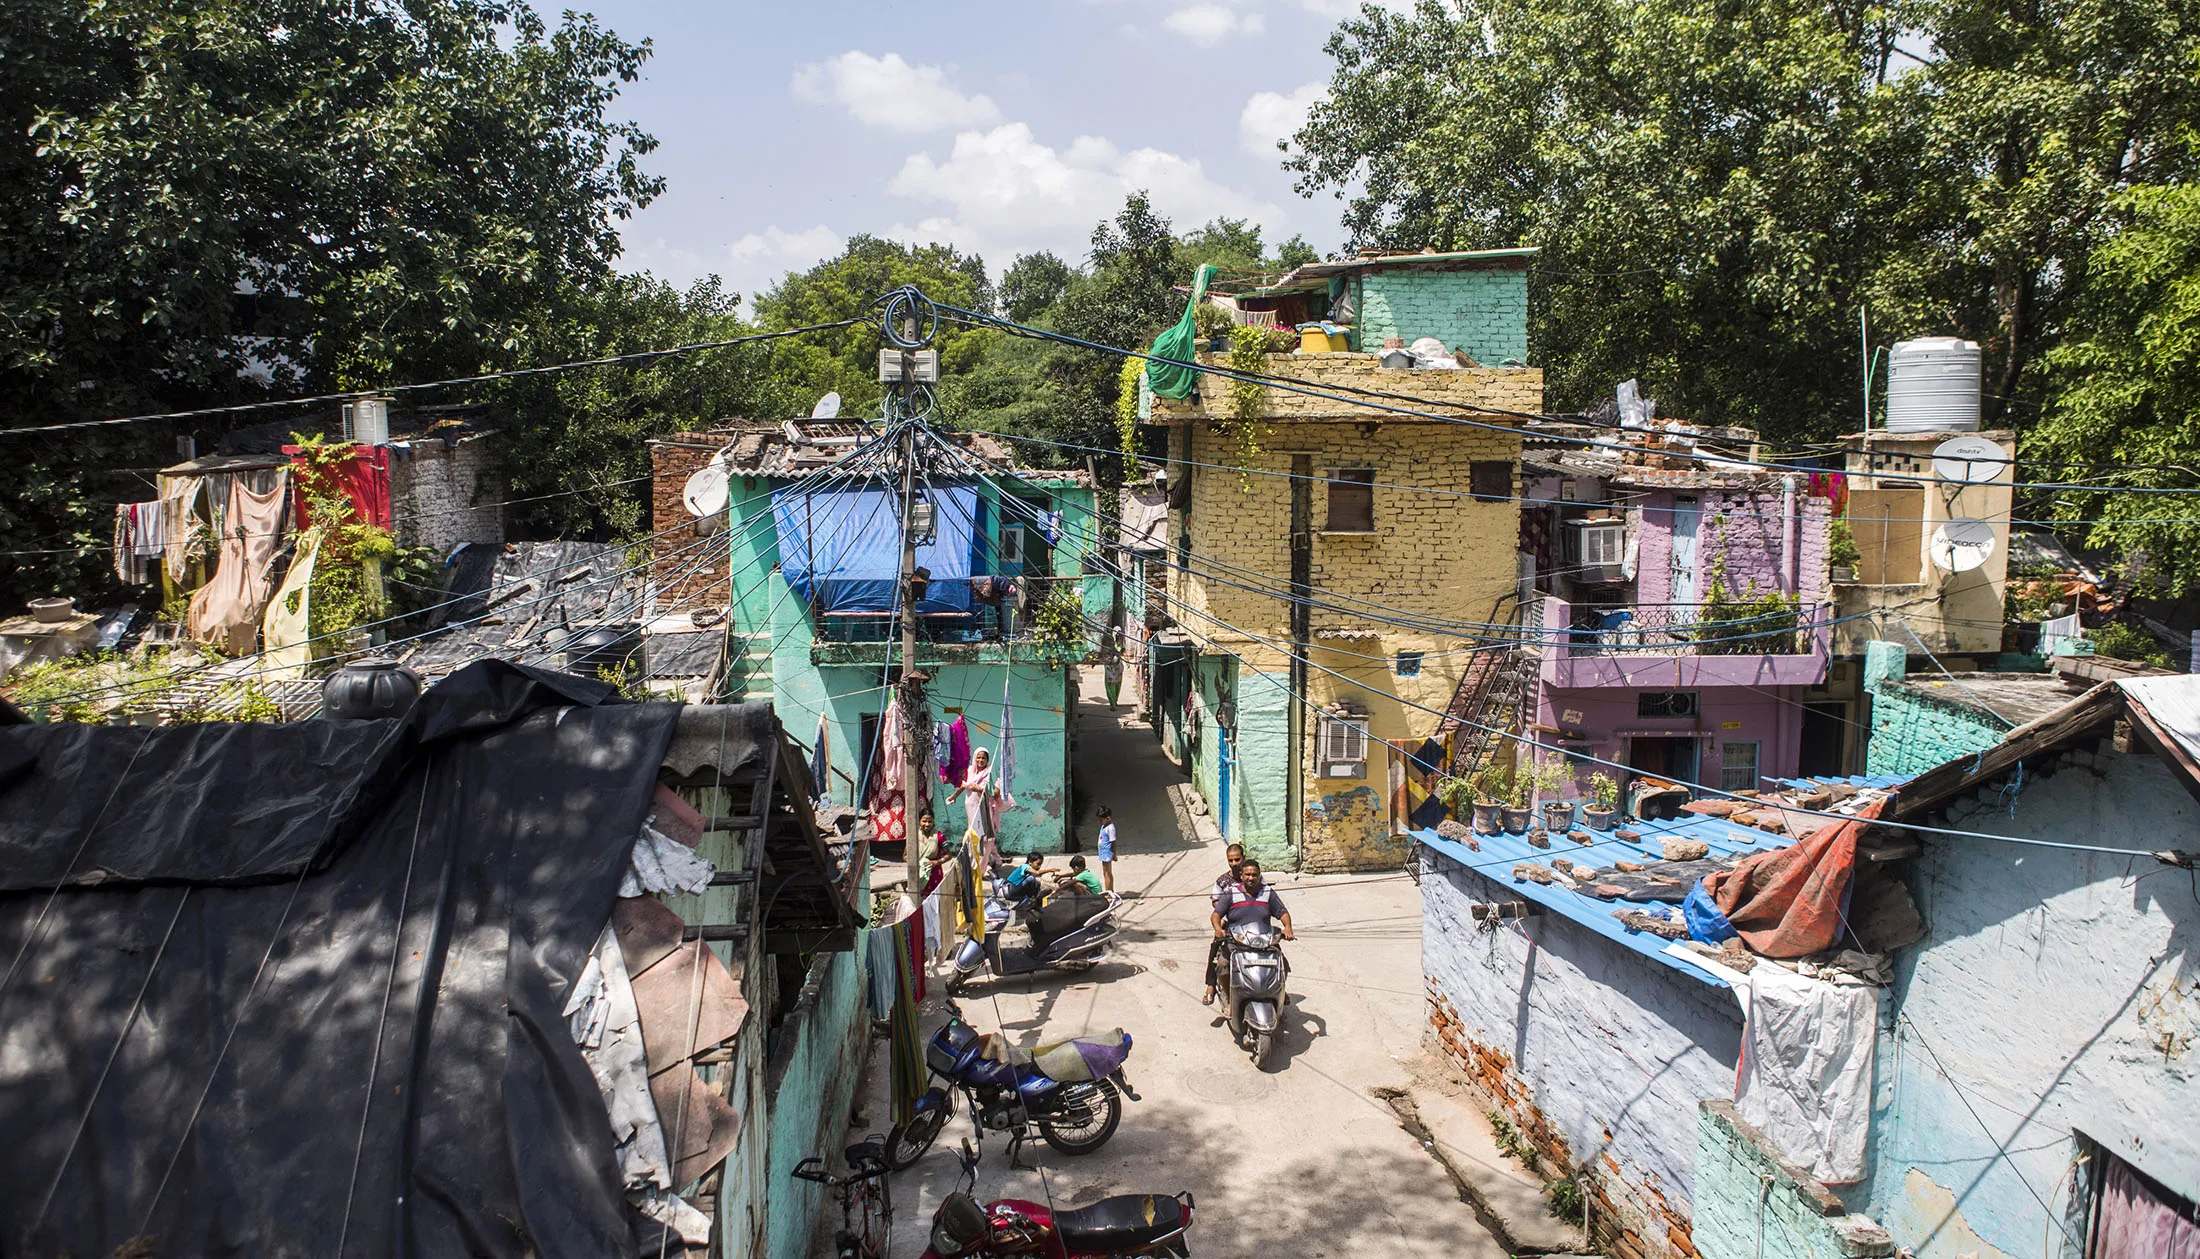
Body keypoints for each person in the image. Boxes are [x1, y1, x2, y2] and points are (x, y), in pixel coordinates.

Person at [1203, 859, 1293, 1006]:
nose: (1250, 878)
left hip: (1263, 941)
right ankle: (1230, 998)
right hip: (1237, 942)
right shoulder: (1231, 893)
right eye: (1247, 875)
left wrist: (1288, 927)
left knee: (1282, 965)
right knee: (1222, 966)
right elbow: (1216, 914)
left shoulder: (1267, 892)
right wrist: (1218, 929)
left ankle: (1278, 994)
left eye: (1254, 875)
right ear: (1241, 875)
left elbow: (1282, 912)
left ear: (1259, 875)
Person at [951, 747, 1002, 870]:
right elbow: (963, 785)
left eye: (983, 758)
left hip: (985, 806)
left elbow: (996, 791)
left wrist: (979, 789)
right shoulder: (969, 771)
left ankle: (983, 865)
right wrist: (954, 796)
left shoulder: (990, 773)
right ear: (974, 758)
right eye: (978, 757)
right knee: (973, 832)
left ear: (987, 760)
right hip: (971, 805)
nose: (980, 760)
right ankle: (983, 859)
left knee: (986, 836)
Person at [1210, 843, 1246, 910]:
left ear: (1243, 858)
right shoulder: (1222, 881)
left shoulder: (1252, 877)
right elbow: (1215, 900)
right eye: (1230, 860)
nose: (1234, 863)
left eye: (1237, 860)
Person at [1093, 804, 1118, 893]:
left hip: (1107, 852)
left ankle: (1109, 891)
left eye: (1101, 820)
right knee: (1105, 872)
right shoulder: (1104, 826)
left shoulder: (1110, 828)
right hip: (1103, 852)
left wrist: (1114, 854)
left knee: (1107, 873)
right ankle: (1109, 890)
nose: (1099, 822)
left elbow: (1113, 842)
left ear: (1108, 818)